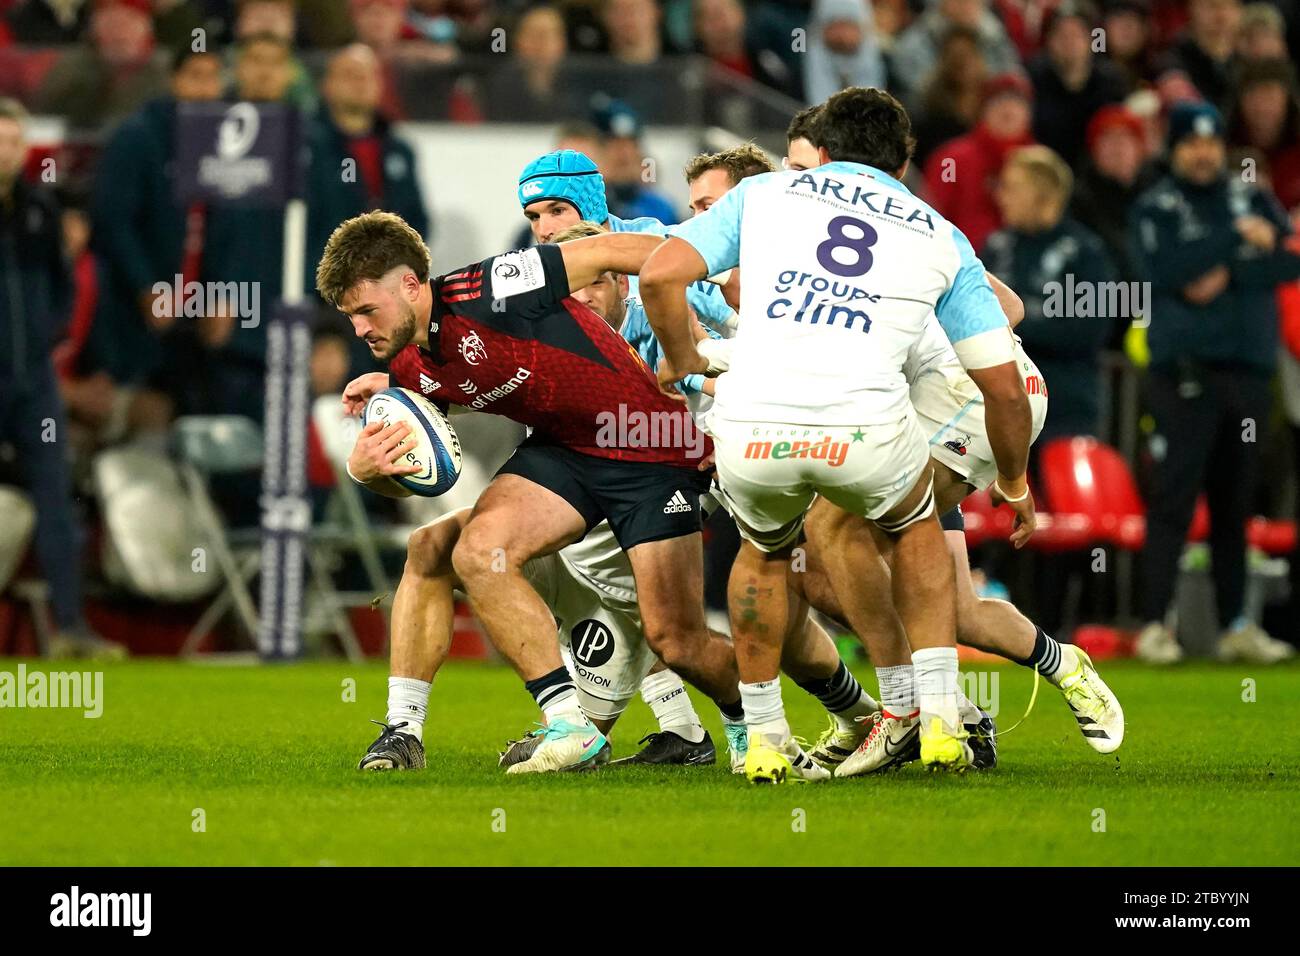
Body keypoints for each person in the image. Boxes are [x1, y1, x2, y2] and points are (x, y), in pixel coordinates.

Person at [641, 87, 1037, 780]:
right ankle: (941, 720)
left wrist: (682, 358)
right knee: (916, 529)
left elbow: (659, 273)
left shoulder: (763, 196)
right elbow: (1003, 387)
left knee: (763, 555)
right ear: (905, 164)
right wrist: (1013, 481)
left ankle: (763, 740)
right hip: (866, 429)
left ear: (819, 153)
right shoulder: (939, 232)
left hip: (754, 425)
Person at [318, 212, 746, 774]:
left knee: (678, 639)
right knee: (464, 550)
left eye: (366, 311)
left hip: (647, 446)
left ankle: (752, 722)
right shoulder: (406, 365)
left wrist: (721, 273)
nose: (359, 330)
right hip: (564, 454)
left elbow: (612, 250)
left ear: (410, 284)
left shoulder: (491, 286)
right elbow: (425, 477)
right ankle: (561, 725)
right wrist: (367, 470)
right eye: (350, 317)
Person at [1130, 101, 1299, 664]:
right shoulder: (1157, 205)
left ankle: (1235, 625)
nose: (1203, 153)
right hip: (1185, 374)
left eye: (1211, 142)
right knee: (1174, 500)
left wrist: (1222, 270)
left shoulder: (1250, 193)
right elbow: (1167, 273)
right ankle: (1155, 624)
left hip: (1250, 374)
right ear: (1174, 149)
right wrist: (1235, 242)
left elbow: (1288, 260)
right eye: (1190, 143)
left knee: (1235, 505)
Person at [0, 98, 125, 660]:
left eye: (12, 141)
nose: (6, 152)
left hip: (32, 384)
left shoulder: (39, 208)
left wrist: (42, 342)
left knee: (57, 501)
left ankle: (71, 628)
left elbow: (61, 287)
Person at [307, 43, 429, 379]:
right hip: (330, 305)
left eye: (368, 75)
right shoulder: (307, 146)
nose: (360, 83)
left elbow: (416, 222)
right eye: (349, 75)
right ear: (327, 84)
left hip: (390, 301)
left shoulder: (399, 148)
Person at [984, 145, 1119, 444]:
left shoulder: (1087, 253)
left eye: (1013, 187)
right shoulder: (995, 249)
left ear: (1043, 195)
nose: (1001, 196)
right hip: (998, 408)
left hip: (1066, 410)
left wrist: (1012, 324)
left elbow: (1090, 331)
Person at [924, 71, 1037, 252]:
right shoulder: (951, 159)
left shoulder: (1041, 164)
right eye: (998, 101)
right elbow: (930, 218)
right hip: (962, 265)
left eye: (1017, 102)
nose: (1007, 109)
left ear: (1029, 113)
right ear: (983, 110)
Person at [1028, 1, 1128, 165]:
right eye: (1061, 35)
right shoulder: (1033, 78)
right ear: (1049, 41)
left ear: (1091, 41)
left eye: (1077, 34)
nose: (1069, 42)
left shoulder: (1111, 81)